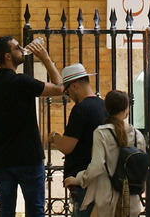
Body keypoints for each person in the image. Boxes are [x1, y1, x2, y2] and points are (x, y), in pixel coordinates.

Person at [0, 36, 65, 217]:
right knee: (35, 211)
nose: (22, 49)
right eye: (17, 47)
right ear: (8, 56)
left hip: (2, 160)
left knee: (6, 211)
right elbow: (59, 87)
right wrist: (45, 58)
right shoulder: (22, 82)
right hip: (29, 158)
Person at [65, 90, 145, 217]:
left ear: (107, 108)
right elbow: (141, 170)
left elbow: (97, 167)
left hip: (108, 200)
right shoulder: (137, 136)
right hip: (131, 201)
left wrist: (78, 179)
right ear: (126, 109)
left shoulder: (102, 133)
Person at [50, 63, 108, 215]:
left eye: (67, 91)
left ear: (74, 85)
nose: (67, 96)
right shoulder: (103, 106)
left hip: (84, 183)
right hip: (102, 180)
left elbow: (67, 146)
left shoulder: (81, 109)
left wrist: (54, 137)